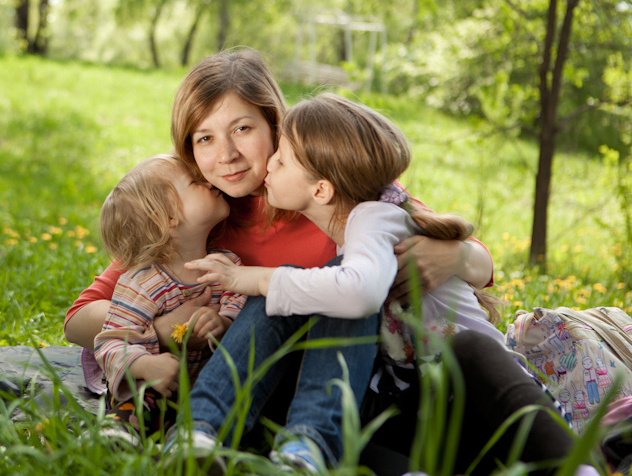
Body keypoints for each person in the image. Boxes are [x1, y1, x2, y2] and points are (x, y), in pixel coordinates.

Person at [180, 93, 597, 475]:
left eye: (281, 160)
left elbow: (359, 291)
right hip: (415, 402)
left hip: (475, 403)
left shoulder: (374, 216)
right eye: (205, 138)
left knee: (468, 346)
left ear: (322, 189)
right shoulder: (225, 212)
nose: (269, 163)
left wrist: (252, 278)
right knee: (355, 408)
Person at [64, 47, 495, 381]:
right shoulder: (194, 217)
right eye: (205, 139)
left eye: (242, 129)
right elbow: (80, 319)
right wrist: (163, 328)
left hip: (353, 370)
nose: (226, 155)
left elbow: (478, 262)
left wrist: (457, 256)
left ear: (275, 123)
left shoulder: (325, 193)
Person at [93, 154, 246, 440]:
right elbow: (110, 343)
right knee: (141, 398)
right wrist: (145, 364)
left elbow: (242, 311)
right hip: (157, 388)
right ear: (168, 218)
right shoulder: (141, 284)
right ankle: (119, 434)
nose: (206, 180)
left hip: (207, 391)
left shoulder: (227, 266)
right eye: (193, 181)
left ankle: (195, 435)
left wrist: (223, 323)